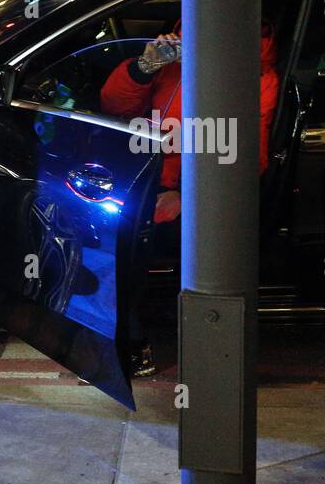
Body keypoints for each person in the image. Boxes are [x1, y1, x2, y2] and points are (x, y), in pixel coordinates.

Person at [100, 19, 281, 375]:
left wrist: (184, 196)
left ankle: (166, 345)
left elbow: (246, 156)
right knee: (114, 225)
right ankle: (124, 336)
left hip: (202, 189)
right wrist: (144, 67)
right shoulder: (174, 58)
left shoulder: (258, 76)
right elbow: (115, 107)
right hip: (150, 173)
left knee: (169, 237)